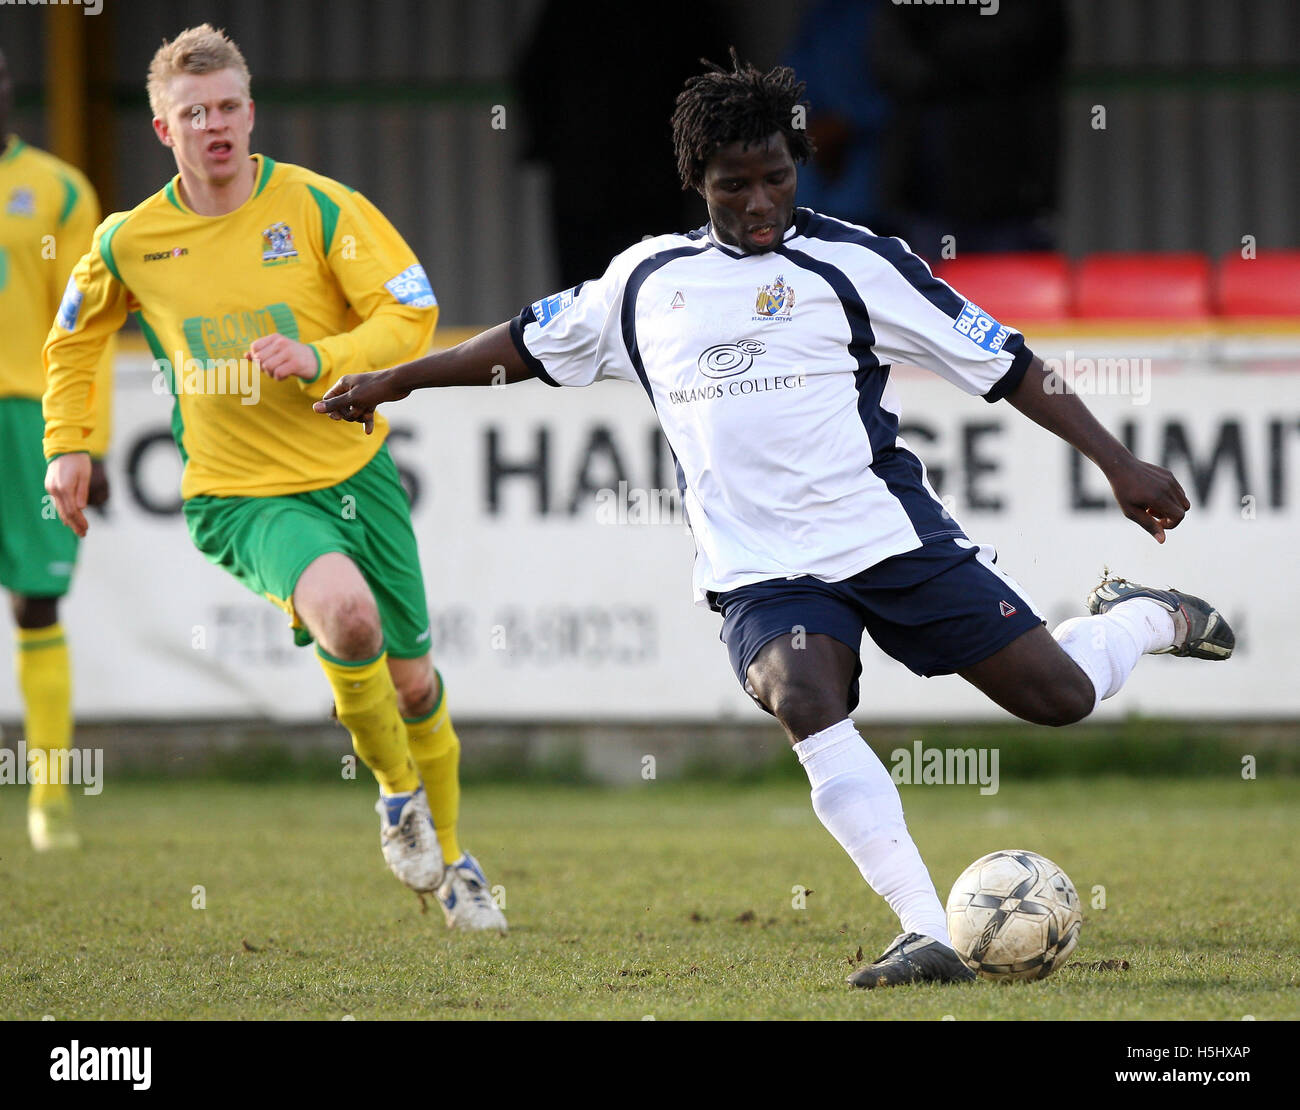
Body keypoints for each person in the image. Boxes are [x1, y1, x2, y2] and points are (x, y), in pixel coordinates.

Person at [313, 52, 1233, 985]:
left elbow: (1009, 363)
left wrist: (1119, 463)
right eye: (734, 186)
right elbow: (520, 343)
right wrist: (398, 378)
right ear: (695, 183)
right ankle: (926, 928)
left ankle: (1145, 615)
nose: (759, 203)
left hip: (888, 538)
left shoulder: (861, 263)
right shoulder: (645, 281)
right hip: (762, 567)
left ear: (800, 165)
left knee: (1059, 698)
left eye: (776, 178)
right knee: (802, 693)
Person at [41, 25, 505, 931]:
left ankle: (453, 862)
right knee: (347, 613)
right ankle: (394, 795)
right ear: (160, 128)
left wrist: (321, 354)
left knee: (413, 684)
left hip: (356, 473)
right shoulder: (131, 240)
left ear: (250, 112)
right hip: (239, 494)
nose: (213, 126)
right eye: (193, 114)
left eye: (226, 109)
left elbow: (410, 309)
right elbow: (75, 335)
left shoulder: (321, 207)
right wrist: (69, 442)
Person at [0, 46, 113, 851]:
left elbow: (87, 328)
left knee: (36, 600)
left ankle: (48, 801)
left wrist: (86, 440)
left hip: (25, 414)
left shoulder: (62, 187)